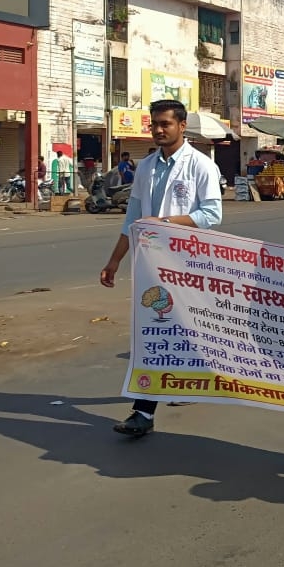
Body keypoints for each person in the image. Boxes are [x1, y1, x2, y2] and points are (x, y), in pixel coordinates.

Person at [100, 100, 224, 437]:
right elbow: (133, 218)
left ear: (182, 126)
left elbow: (211, 215)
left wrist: (165, 221)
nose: (158, 130)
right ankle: (143, 411)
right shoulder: (146, 167)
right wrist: (115, 260)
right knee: (153, 332)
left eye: (165, 124)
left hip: (187, 263)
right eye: (154, 124)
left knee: (189, 329)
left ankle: (200, 379)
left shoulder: (200, 166)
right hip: (152, 264)